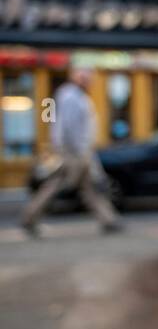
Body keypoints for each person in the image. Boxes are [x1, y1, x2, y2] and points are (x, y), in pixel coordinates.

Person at [22, 68, 122, 236]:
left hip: (78, 150)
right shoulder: (71, 97)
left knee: (89, 188)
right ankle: (29, 217)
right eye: (85, 78)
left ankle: (109, 220)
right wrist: (78, 150)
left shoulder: (75, 96)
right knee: (57, 184)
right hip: (74, 152)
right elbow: (69, 127)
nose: (89, 81)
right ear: (77, 78)